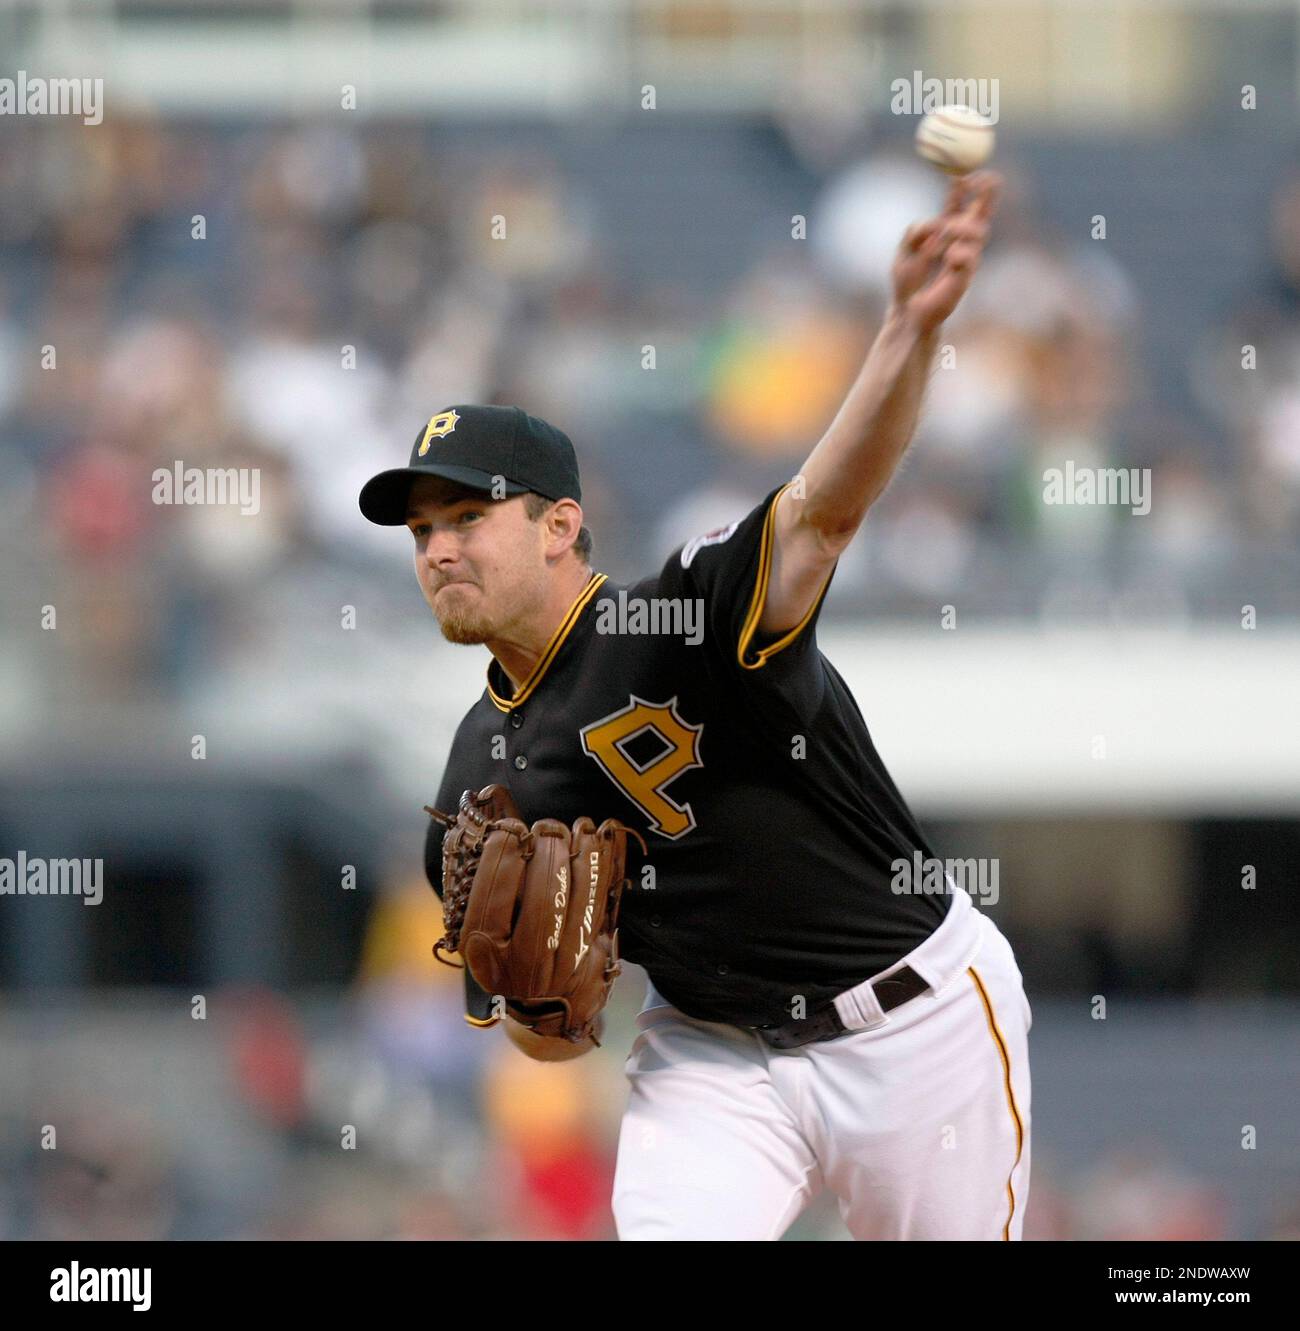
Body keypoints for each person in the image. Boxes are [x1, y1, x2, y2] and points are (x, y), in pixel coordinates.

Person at [359, 170, 1031, 1240]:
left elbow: (823, 513)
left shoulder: (681, 614)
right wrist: (541, 1005)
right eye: (420, 529)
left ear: (558, 524)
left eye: (465, 517)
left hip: (912, 1012)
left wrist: (904, 329)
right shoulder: (476, 766)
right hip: (712, 1050)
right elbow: (548, 1039)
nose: (437, 546)